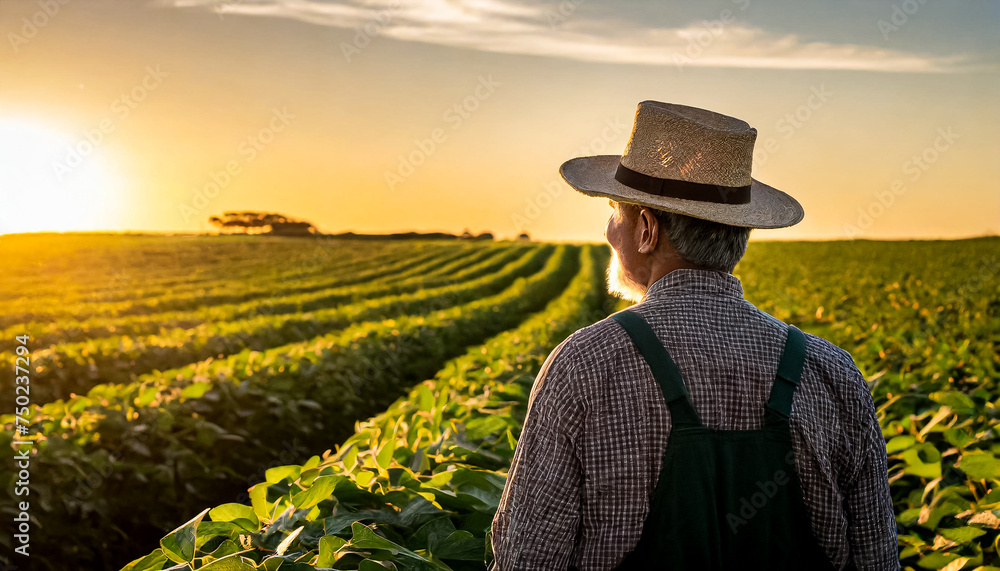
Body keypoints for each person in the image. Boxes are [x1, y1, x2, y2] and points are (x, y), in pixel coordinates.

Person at [488, 101, 898, 570]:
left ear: (646, 229)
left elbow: (528, 557)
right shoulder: (831, 371)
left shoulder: (585, 364)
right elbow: (876, 558)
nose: (608, 232)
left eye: (614, 214)